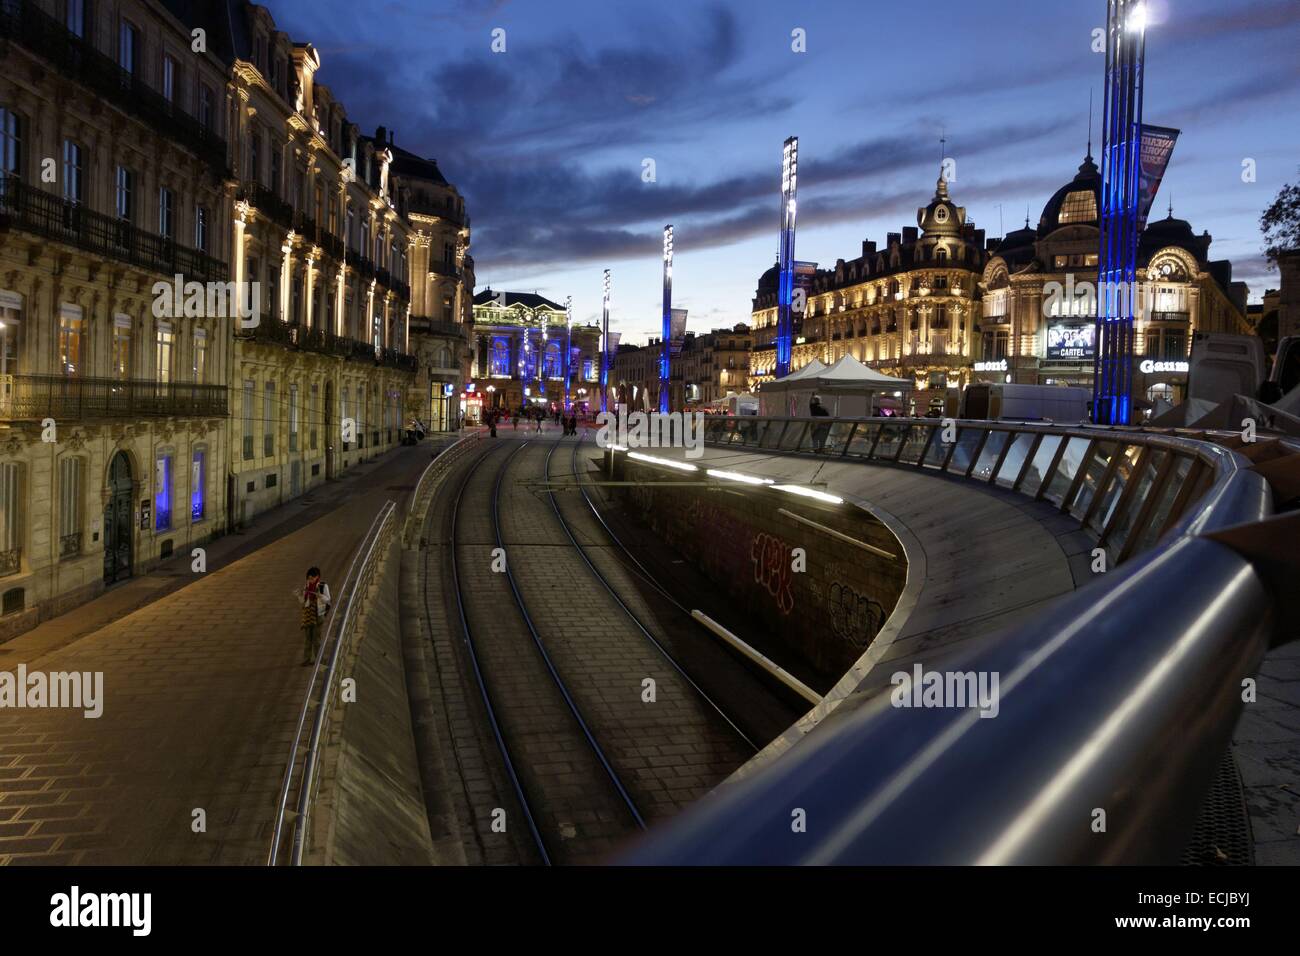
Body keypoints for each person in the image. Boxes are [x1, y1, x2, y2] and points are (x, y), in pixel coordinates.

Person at [298, 566, 331, 666]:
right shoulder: (307, 586)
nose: (310, 580)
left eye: (312, 578)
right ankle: (306, 660)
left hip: (318, 614)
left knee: (316, 639)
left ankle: (319, 660)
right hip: (309, 614)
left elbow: (328, 599)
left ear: (317, 577)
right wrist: (300, 596)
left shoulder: (322, 586)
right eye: (309, 578)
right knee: (308, 638)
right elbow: (303, 601)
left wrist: (319, 595)